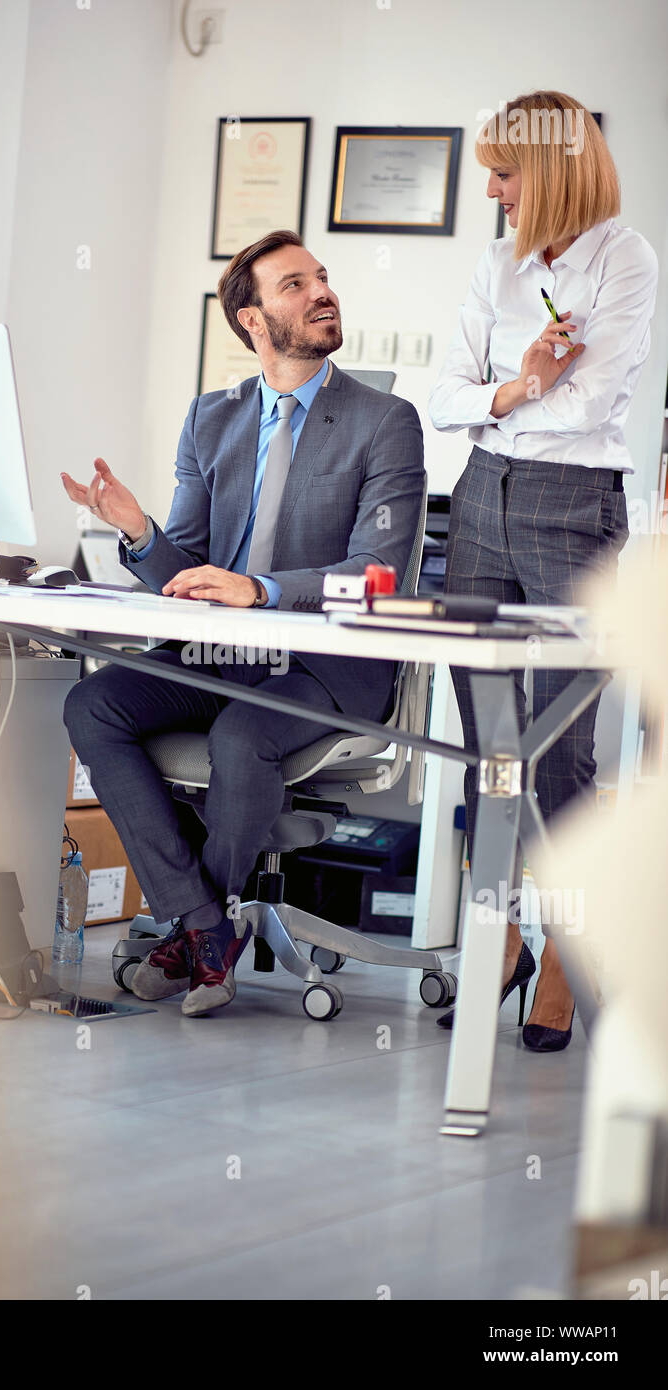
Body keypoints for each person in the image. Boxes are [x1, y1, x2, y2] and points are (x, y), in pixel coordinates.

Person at [62, 229, 425, 1016]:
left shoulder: (384, 420)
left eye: (322, 278)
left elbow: (378, 574)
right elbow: (185, 577)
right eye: (295, 284)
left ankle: (192, 931)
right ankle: (204, 926)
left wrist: (259, 590)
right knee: (92, 703)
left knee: (239, 738)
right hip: (221, 655)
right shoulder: (212, 418)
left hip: (328, 669)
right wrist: (138, 533)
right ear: (254, 321)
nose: (322, 292)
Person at [428, 91, 658, 1051]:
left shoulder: (627, 260)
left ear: (555, 171)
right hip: (481, 500)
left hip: (573, 509)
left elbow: (595, 402)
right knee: (488, 744)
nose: (492, 190)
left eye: (506, 172)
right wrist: (520, 386)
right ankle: (503, 942)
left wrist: (505, 401)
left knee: (560, 751)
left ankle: (563, 949)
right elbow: (444, 399)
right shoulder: (495, 262)